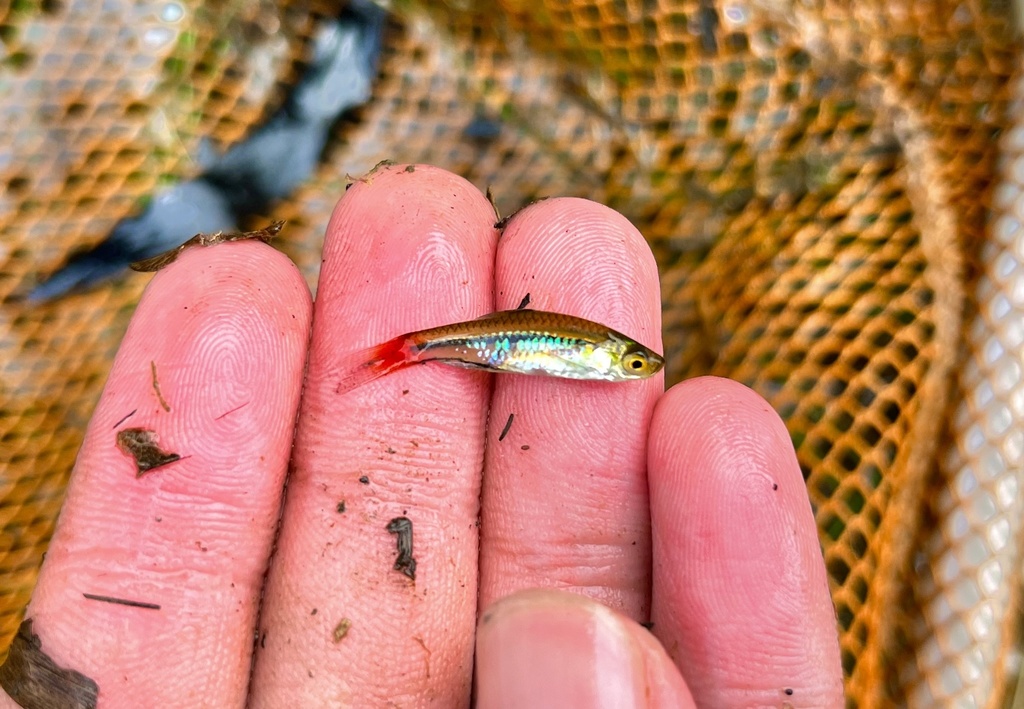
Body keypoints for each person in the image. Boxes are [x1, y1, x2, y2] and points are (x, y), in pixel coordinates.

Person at [1, 165, 843, 708]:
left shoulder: (585, 351)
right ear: (606, 354)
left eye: (622, 358)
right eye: (623, 358)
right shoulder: (575, 347)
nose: (624, 363)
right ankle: (395, 352)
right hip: (471, 340)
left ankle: (396, 352)